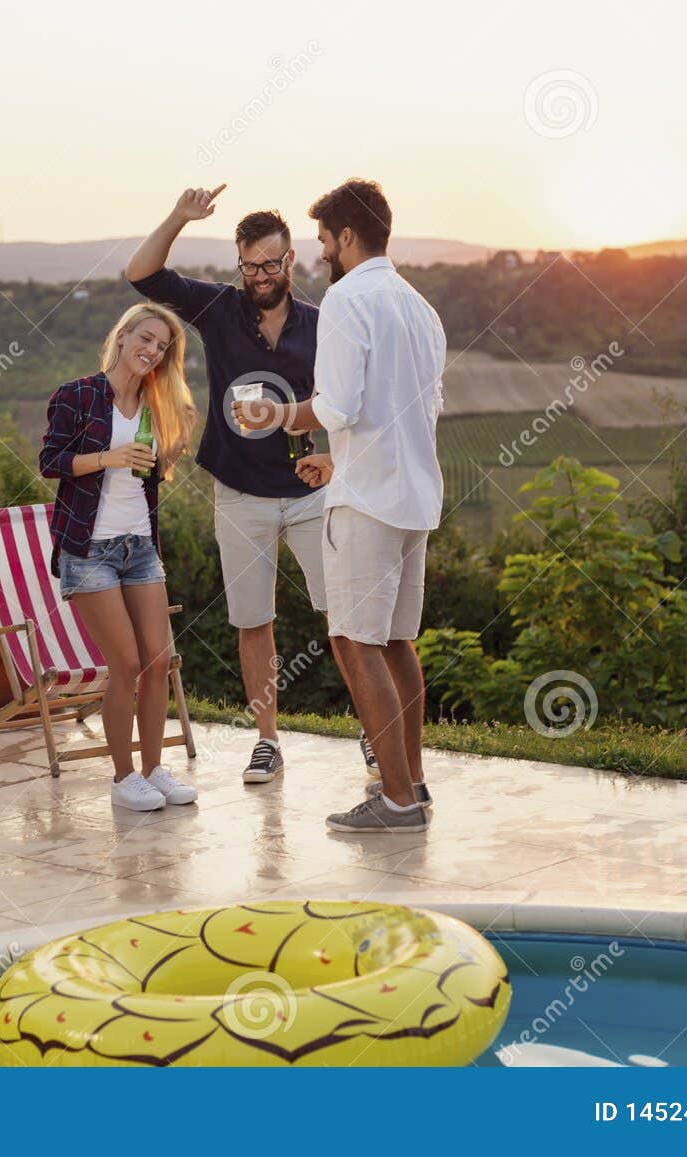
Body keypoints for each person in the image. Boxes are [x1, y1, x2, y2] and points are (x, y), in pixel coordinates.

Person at [236, 178, 443, 834]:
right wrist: (340, 457)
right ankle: (411, 782)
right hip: (413, 495)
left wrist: (275, 414)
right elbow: (415, 412)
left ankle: (396, 800)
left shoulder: (348, 299)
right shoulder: (419, 306)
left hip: (367, 503)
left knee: (354, 641)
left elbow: (336, 407)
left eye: (324, 239)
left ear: (347, 236)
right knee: (399, 641)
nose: (321, 251)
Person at [126, 186, 326, 787]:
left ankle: (371, 732)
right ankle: (267, 741)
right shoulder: (219, 308)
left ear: (292, 261)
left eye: (270, 263)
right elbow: (142, 274)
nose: (259, 275)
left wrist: (289, 416)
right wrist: (179, 216)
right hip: (238, 490)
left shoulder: (322, 325)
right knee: (251, 621)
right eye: (249, 265)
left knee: (340, 615)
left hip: (310, 489)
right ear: (238, 263)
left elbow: (346, 404)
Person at [39, 303, 199, 811]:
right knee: (126, 662)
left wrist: (173, 448)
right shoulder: (78, 394)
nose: (151, 351)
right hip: (88, 549)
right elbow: (51, 461)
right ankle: (123, 777)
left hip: (139, 546)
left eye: (161, 347)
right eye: (145, 339)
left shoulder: (155, 404)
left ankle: (154, 770)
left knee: (159, 660)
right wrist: (108, 457)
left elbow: (150, 476)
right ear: (123, 334)